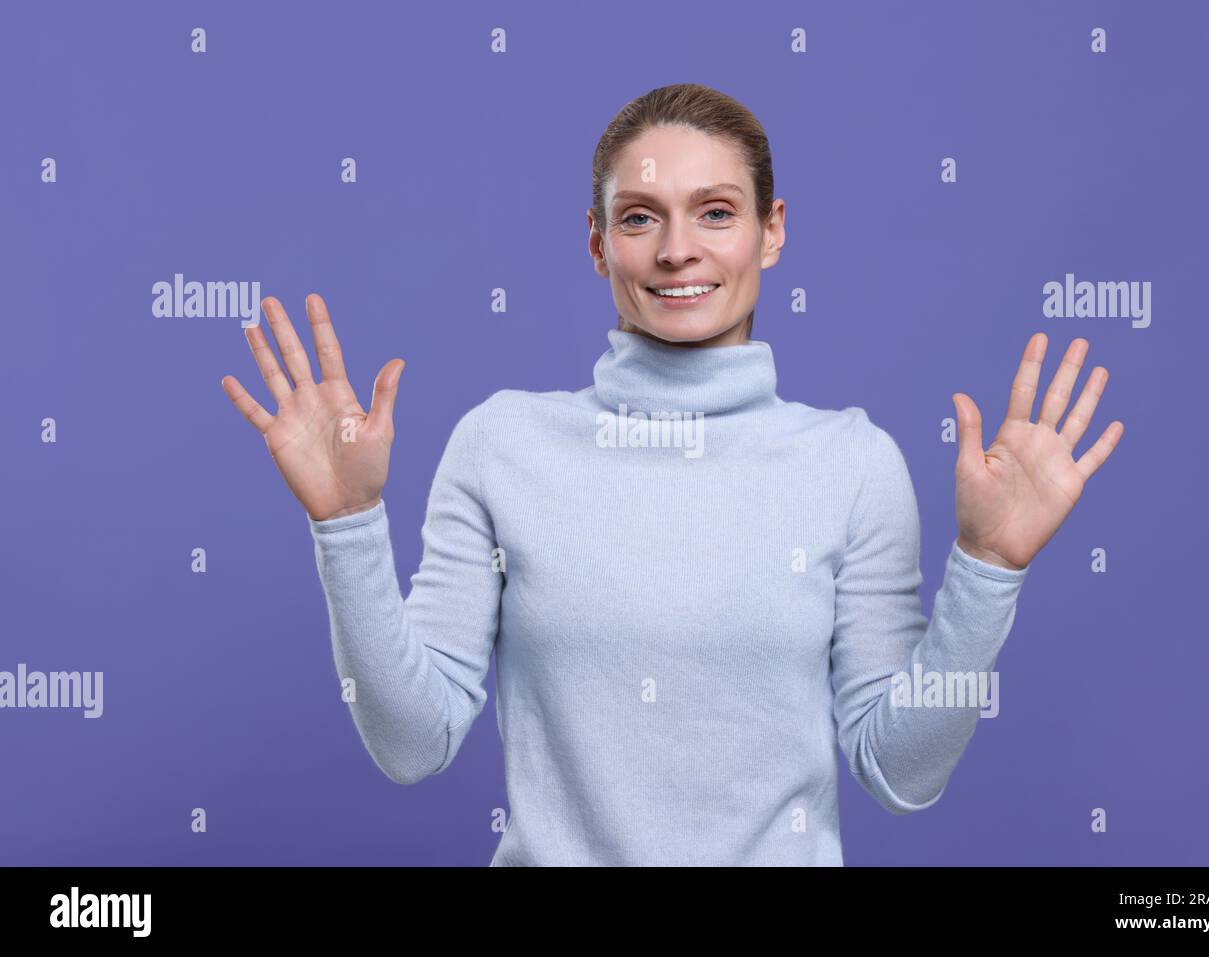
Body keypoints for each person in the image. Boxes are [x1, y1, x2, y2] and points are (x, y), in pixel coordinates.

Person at [219, 83, 1123, 866]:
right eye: (640, 216)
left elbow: (901, 769)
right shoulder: (502, 444)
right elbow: (413, 742)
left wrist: (989, 566)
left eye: (717, 212)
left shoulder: (851, 462)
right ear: (598, 241)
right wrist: (348, 523)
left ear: (772, 232)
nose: (676, 250)